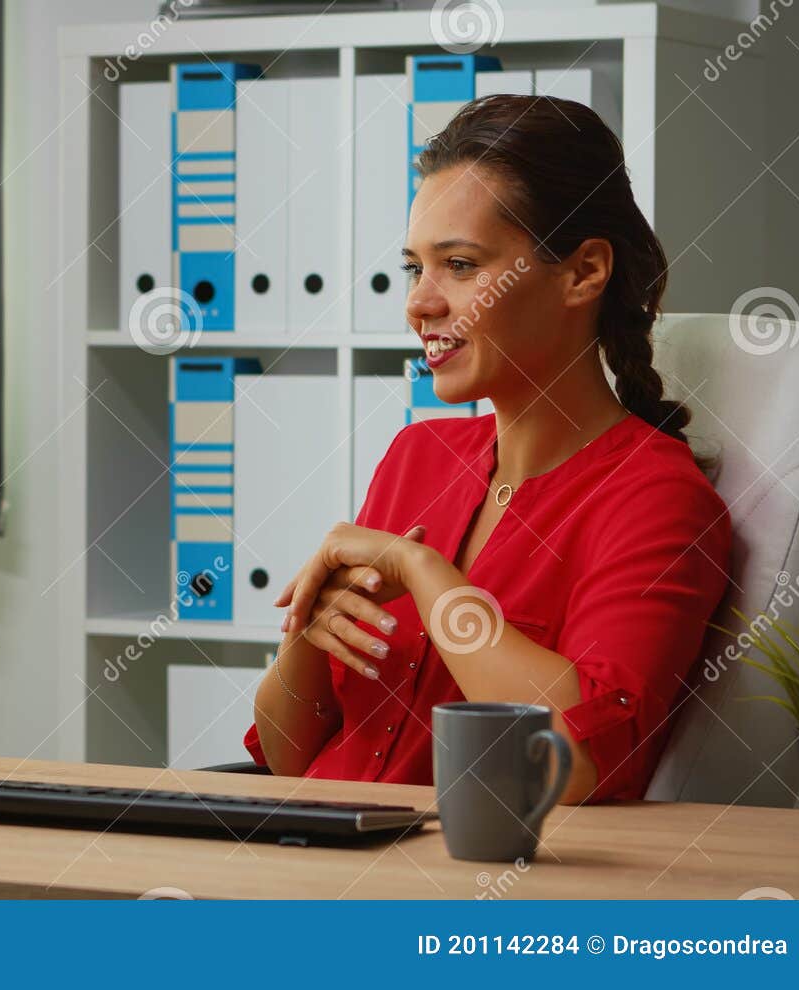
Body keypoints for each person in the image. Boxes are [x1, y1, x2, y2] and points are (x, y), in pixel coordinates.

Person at [244, 94, 731, 804]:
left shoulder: (659, 501)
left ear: (583, 272)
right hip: (310, 855)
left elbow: (574, 765)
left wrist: (423, 570)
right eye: (414, 268)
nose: (418, 303)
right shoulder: (419, 456)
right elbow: (288, 758)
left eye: (461, 265)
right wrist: (308, 635)